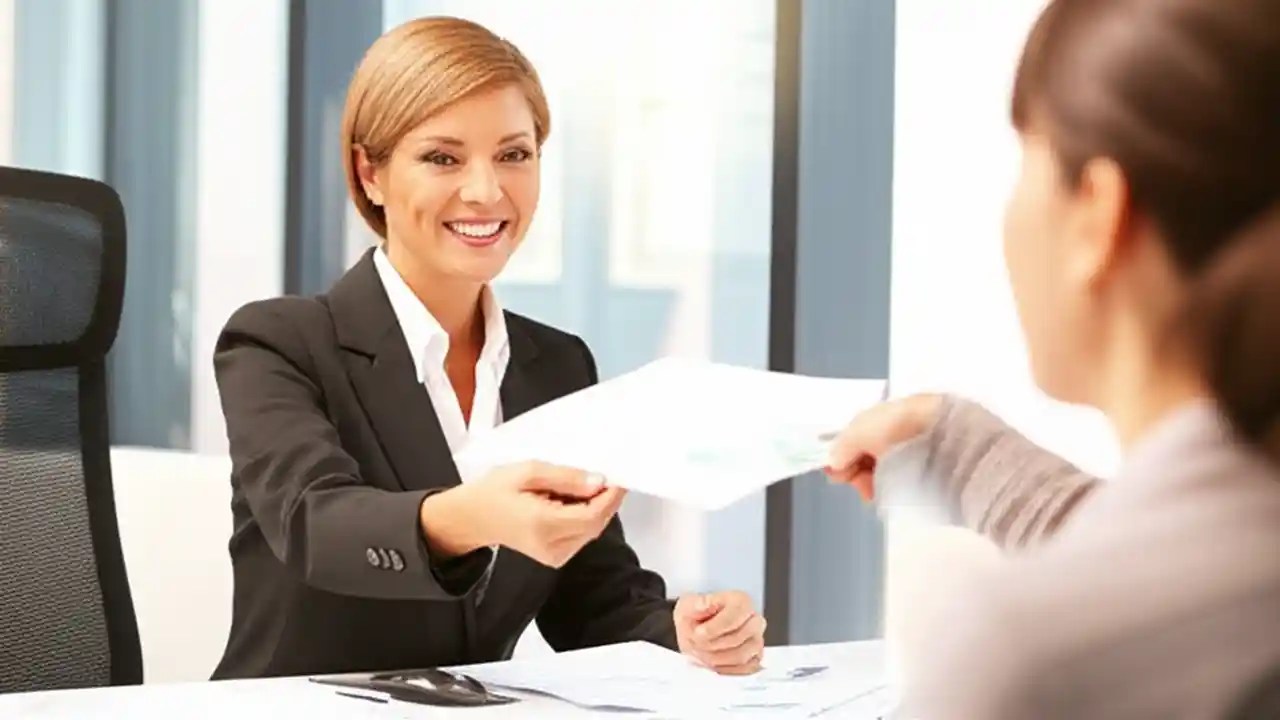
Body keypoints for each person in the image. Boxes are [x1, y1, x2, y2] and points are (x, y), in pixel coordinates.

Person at [210, 16, 765, 680]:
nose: (486, 190)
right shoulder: (278, 343)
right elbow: (315, 525)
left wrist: (686, 630)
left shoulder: (556, 365)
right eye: (443, 158)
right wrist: (473, 517)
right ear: (370, 172)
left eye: (514, 154)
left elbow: (592, 602)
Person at [826, 0, 1280, 716]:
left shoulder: (1027, 656)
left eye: (1027, 159)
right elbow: (1168, 572)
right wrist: (956, 442)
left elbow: (1116, 617)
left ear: (1099, 213)